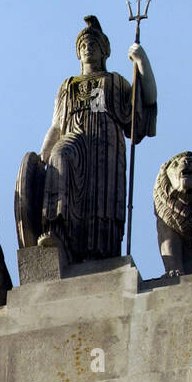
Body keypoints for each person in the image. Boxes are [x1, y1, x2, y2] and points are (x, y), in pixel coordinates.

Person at [35, 16, 157, 261]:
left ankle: (98, 250)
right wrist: (43, 154)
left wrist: (141, 61)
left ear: (104, 52)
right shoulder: (68, 85)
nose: (87, 48)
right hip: (73, 135)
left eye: (93, 44)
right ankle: (56, 232)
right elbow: (56, 124)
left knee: (102, 198)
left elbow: (147, 100)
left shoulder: (114, 81)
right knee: (60, 155)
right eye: (83, 45)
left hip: (105, 143)